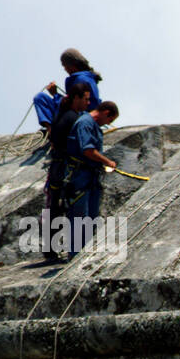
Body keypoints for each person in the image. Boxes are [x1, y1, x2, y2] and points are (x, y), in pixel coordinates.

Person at [58, 101, 120, 258]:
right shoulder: (85, 123)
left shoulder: (93, 125)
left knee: (91, 217)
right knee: (79, 216)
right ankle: (75, 255)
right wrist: (107, 162)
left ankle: (84, 254)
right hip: (80, 176)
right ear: (106, 113)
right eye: (110, 120)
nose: (109, 124)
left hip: (90, 176)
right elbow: (88, 150)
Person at [43, 82, 91, 254]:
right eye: (85, 99)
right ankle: (63, 248)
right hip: (66, 168)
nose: (88, 103)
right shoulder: (72, 118)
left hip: (58, 167)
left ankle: (50, 249)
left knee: (55, 207)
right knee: (67, 208)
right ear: (76, 98)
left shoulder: (63, 114)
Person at [33, 48, 103, 129]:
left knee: (40, 97)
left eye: (64, 65)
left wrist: (55, 94)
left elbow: (74, 105)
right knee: (41, 97)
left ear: (72, 65)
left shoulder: (81, 79)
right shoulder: (85, 77)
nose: (65, 69)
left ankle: (50, 130)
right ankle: (51, 128)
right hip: (76, 114)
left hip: (79, 117)